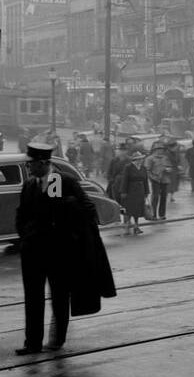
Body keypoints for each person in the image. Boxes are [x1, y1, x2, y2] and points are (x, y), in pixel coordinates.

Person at [11, 141, 116, 355]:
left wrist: (66, 213)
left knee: (59, 297)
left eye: (31, 164)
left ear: (43, 163)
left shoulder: (60, 181)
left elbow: (86, 209)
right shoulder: (30, 184)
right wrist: (25, 239)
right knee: (33, 298)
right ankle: (32, 343)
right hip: (32, 253)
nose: (28, 168)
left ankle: (56, 340)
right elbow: (22, 215)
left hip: (58, 252)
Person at [119, 151, 149, 236]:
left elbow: (145, 180)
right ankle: (127, 225)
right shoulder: (128, 167)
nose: (141, 160)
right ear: (135, 160)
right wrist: (123, 191)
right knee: (129, 209)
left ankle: (136, 226)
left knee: (138, 209)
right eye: (139, 159)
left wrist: (147, 191)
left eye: (142, 159)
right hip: (130, 191)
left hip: (140, 191)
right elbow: (125, 180)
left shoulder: (143, 168)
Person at [144, 144, 171, 221]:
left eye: (162, 149)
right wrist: (153, 177)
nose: (161, 151)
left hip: (165, 179)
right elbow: (147, 170)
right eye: (159, 149)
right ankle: (153, 214)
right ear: (155, 150)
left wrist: (168, 169)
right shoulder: (150, 158)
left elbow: (169, 166)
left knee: (163, 197)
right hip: (155, 179)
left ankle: (162, 214)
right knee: (155, 197)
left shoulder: (165, 158)